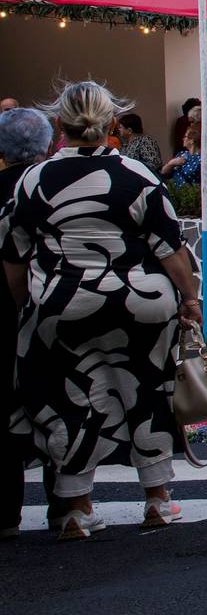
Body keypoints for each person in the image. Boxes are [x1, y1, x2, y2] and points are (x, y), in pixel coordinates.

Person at [3, 85, 199, 540]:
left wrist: (28, 303)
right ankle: (157, 500)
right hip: (140, 300)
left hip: (63, 302)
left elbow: (13, 253)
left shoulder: (33, 179)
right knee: (148, 392)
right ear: (112, 124)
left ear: (60, 125)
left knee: (70, 400)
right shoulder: (137, 175)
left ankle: (76, 507)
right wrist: (189, 299)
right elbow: (169, 247)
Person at [1, 106, 55, 539]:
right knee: (55, 403)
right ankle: (66, 504)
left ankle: (6, 514)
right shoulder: (48, 187)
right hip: (44, 307)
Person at [160, 109, 204, 189]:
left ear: (192, 140)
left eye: (185, 136)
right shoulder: (181, 154)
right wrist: (172, 163)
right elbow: (163, 172)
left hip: (191, 194)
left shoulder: (202, 159)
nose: (183, 139)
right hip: (174, 193)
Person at [114, 112, 164, 176]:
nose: (119, 129)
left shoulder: (145, 141)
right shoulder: (126, 144)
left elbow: (153, 164)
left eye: (121, 127)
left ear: (129, 130)